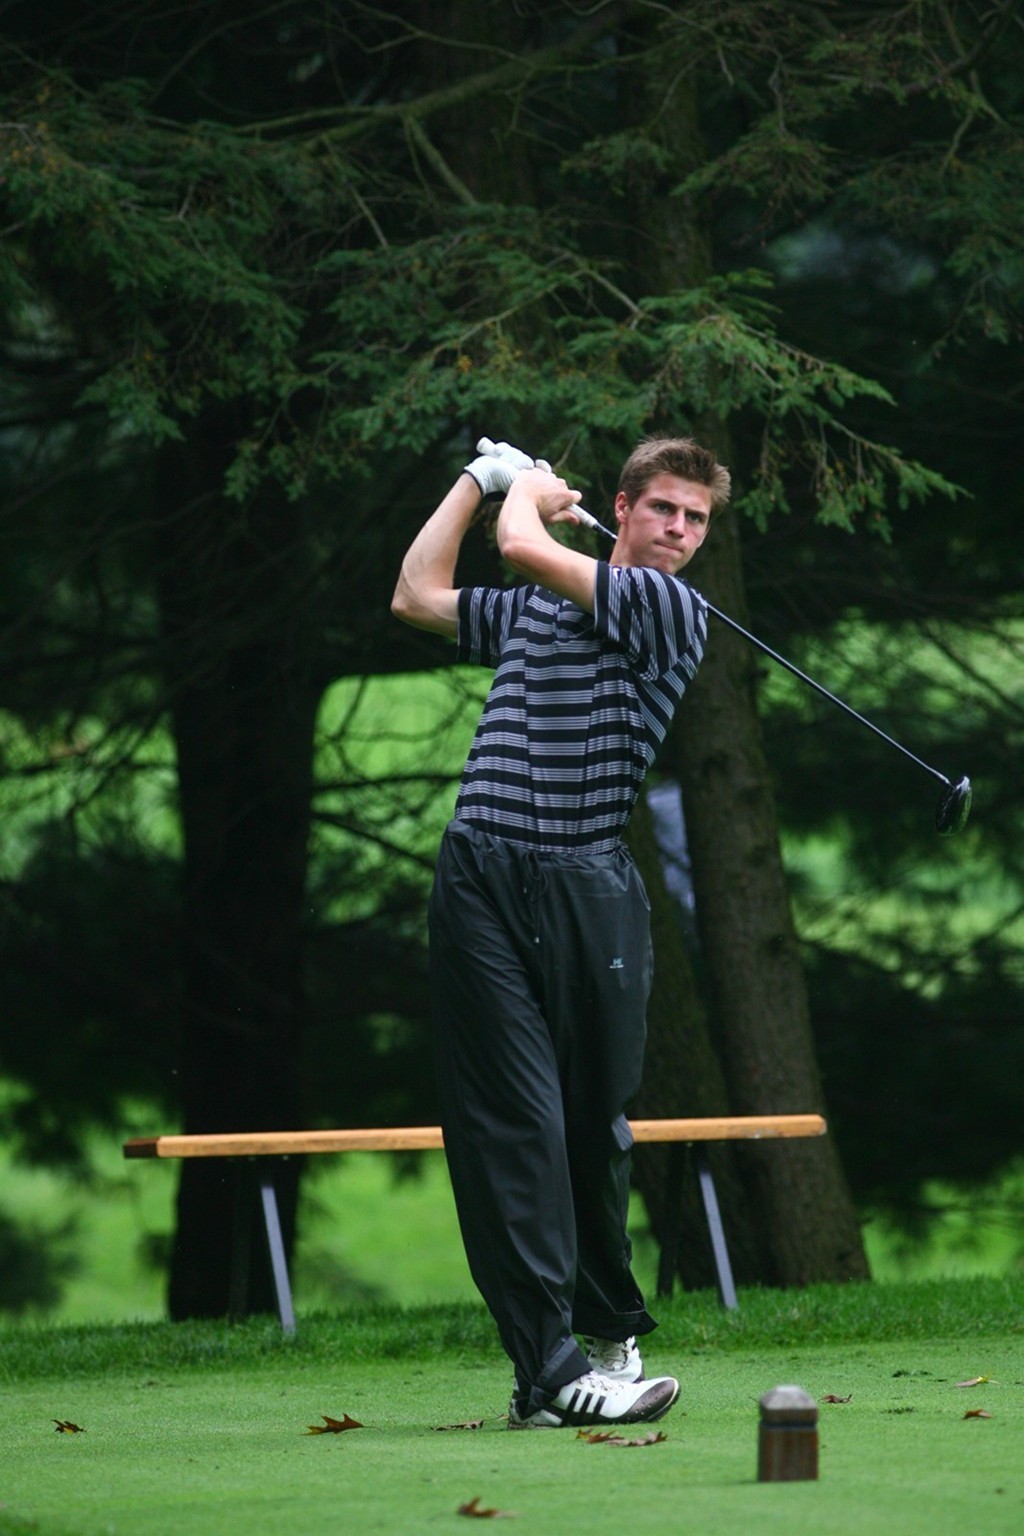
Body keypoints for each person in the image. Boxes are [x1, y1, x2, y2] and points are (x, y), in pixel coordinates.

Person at [391, 435, 731, 1429]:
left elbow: (527, 548)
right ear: (620, 509)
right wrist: (473, 483)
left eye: (695, 518)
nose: (677, 530)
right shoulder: (545, 606)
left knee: (589, 1123)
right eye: (663, 508)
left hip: (587, 889)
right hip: (483, 875)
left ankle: (605, 1327)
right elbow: (416, 595)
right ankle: (547, 1370)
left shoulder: (670, 611)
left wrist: (522, 495)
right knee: (515, 1126)